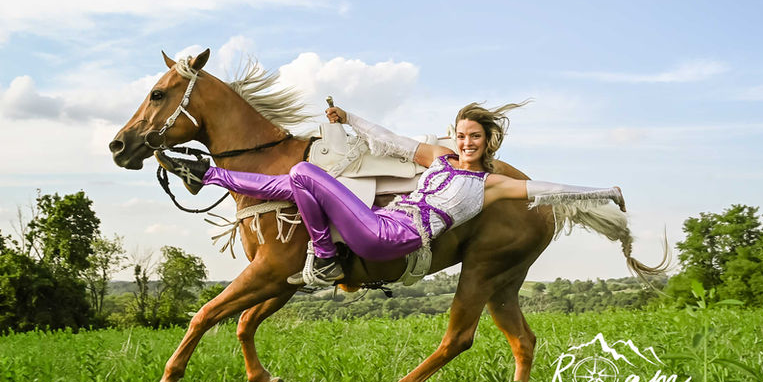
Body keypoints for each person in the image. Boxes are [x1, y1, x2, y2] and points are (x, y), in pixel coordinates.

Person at [155, 103, 625, 287]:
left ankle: (323, 258)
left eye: (474, 137)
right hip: (377, 222)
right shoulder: (438, 160)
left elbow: (547, 190)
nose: (465, 142)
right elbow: (393, 139)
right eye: (460, 135)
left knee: (303, 173)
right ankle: (210, 177)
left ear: (487, 142)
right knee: (303, 183)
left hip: (394, 238)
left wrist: (605, 191)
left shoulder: (491, 185)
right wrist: (349, 119)